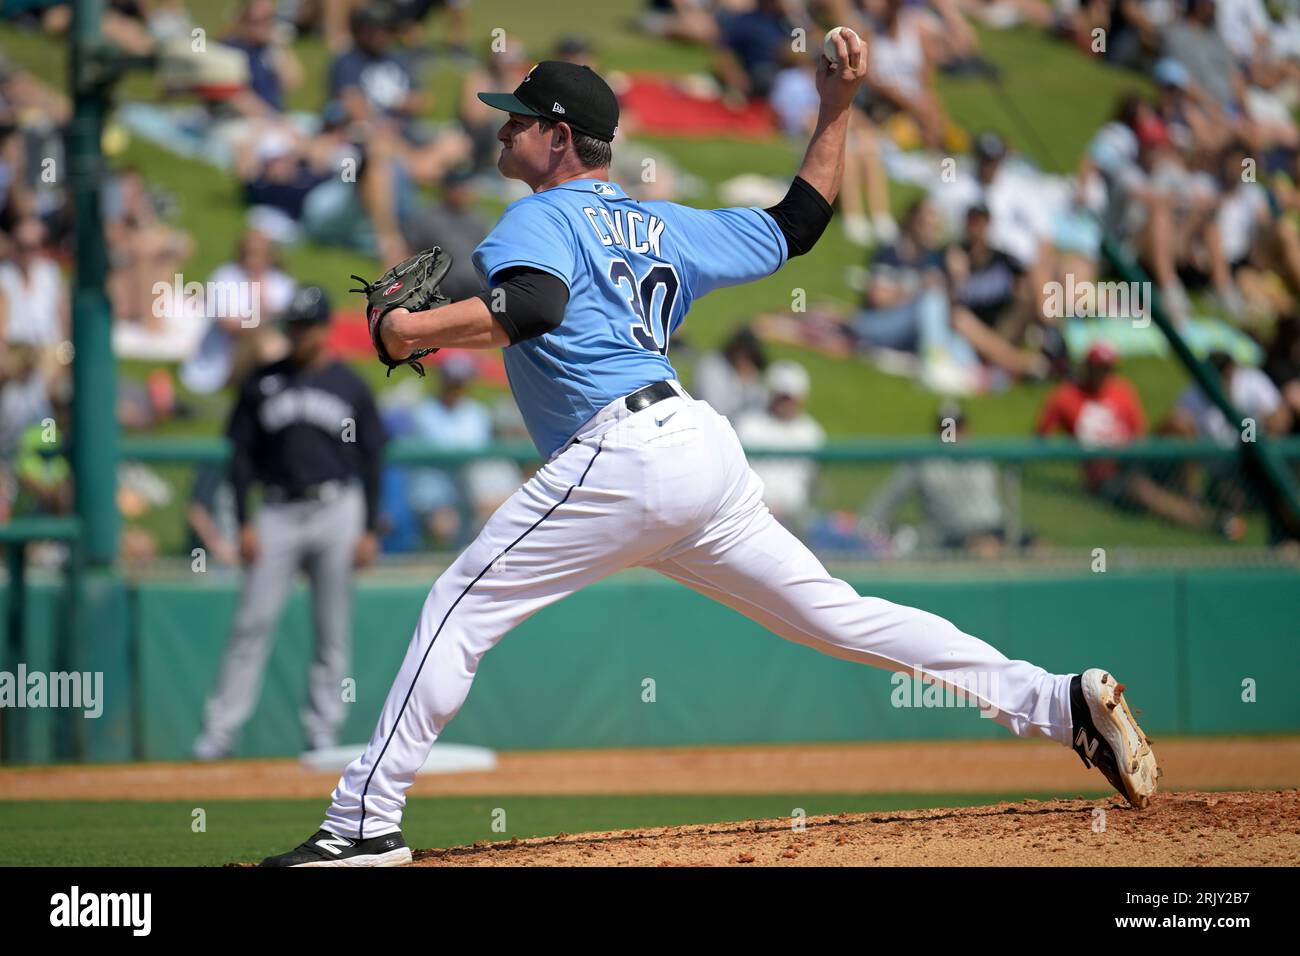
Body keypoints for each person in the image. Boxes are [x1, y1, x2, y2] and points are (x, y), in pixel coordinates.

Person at [261, 50, 1159, 867]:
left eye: (518, 118)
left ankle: (361, 826)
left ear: (560, 138)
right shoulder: (663, 224)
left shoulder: (537, 216)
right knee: (841, 618)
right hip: (697, 451)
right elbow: (799, 222)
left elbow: (529, 305)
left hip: (621, 454)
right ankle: (1056, 701)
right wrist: (837, 105)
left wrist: (406, 330)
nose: (501, 126)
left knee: (460, 601)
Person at [194, 286, 387, 761]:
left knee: (332, 628)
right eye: (292, 327)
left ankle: (322, 731)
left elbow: (374, 460)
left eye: (306, 326)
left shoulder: (350, 385)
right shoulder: (262, 382)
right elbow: (239, 458)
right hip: (277, 508)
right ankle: (220, 731)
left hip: (338, 506)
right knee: (251, 622)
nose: (298, 335)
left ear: (324, 330)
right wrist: (242, 521)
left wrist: (368, 529)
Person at [734, 360, 826, 528]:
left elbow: (814, 484)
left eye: (790, 398)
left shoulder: (812, 433)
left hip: (796, 518)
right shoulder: (748, 426)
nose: (786, 403)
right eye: (782, 397)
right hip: (753, 516)